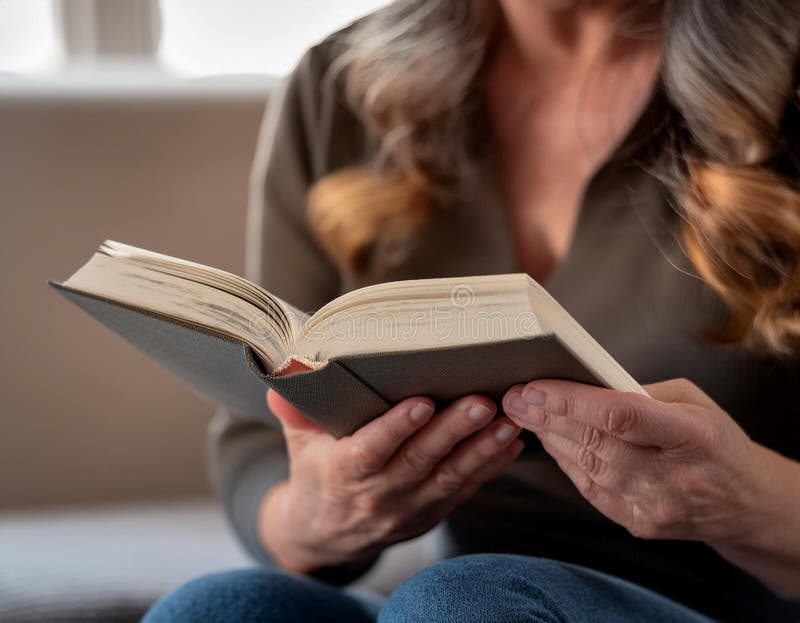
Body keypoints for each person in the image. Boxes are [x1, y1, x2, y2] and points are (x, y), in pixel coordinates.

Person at [144, 1, 800, 621]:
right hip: (459, 598)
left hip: (746, 597)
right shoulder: (341, 86)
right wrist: (317, 515)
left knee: (467, 603)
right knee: (218, 608)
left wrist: (743, 501)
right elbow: (260, 441)